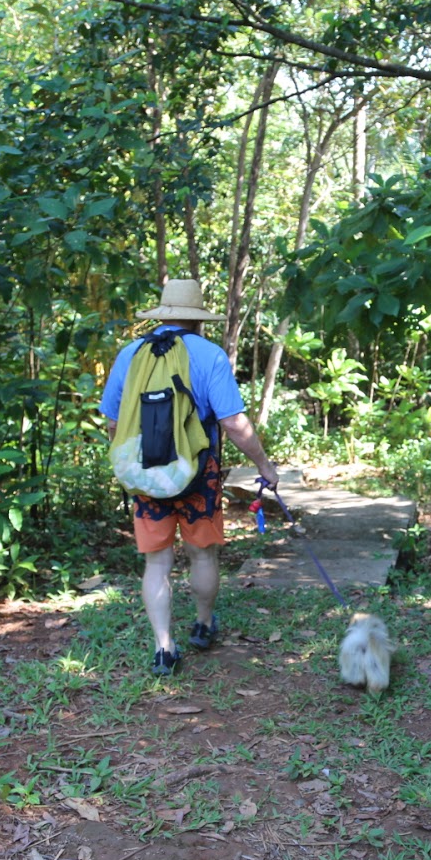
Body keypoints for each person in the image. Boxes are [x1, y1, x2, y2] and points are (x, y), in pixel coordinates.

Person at [99, 279, 280, 675]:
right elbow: (232, 421)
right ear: (198, 319)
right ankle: (202, 624)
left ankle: (164, 648)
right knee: (202, 553)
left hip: (148, 472)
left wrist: (134, 467)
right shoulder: (209, 354)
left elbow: (114, 423)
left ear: (163, 314)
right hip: (200, 473)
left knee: (157, 563)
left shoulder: (129, 353)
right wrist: (265, 466)